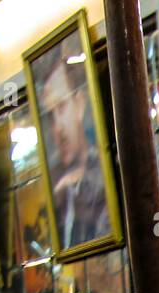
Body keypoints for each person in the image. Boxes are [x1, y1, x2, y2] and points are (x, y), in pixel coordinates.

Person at [39, 51, 109, 250]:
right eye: (50, 116)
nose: (57, 126)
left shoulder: (106, 174)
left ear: (79, 103)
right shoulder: (54, 185)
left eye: (61, 107)